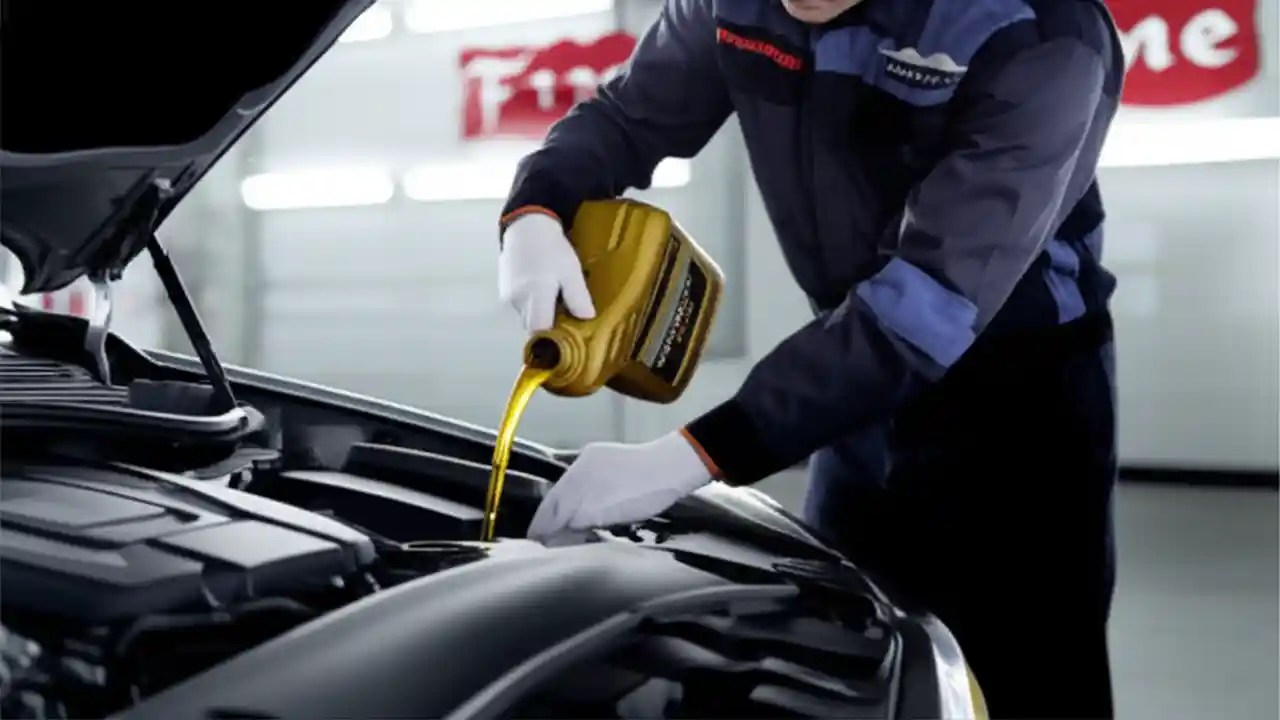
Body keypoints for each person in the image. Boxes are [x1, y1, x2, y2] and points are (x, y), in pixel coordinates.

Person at [498, 0, 1124, 716]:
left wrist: (689, 456)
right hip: (853, 390)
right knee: (839, 655)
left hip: (1022, 405)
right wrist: (536, 208)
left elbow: (931, 301)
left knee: (1030, 676)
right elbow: (625, 118)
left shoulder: (1039, 32)